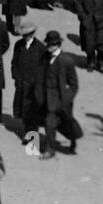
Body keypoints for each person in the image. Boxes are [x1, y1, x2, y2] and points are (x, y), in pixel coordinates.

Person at [40, 30, 81, 158]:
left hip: (63, 101)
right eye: (48, 44)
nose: (49, 47)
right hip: (49, 99)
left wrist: (67, 98)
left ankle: (73, 140)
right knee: (49, 123)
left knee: (68, 123)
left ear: (58, 45)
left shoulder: (66, 61)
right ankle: (50, 149)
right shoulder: (46, 57)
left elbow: (74, 84)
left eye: (51, 45)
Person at [10, 21, 44, 144]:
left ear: (33, 34)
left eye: (28, 34)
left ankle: (31, 135)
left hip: (33, 85)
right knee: (23, 110)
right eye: (24, 35)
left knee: (33, 112)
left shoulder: (40, 48)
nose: (25, 37)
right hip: (21, 83)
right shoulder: (19, 45)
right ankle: (26, 131)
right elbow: (14, 62)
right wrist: (15, 76)